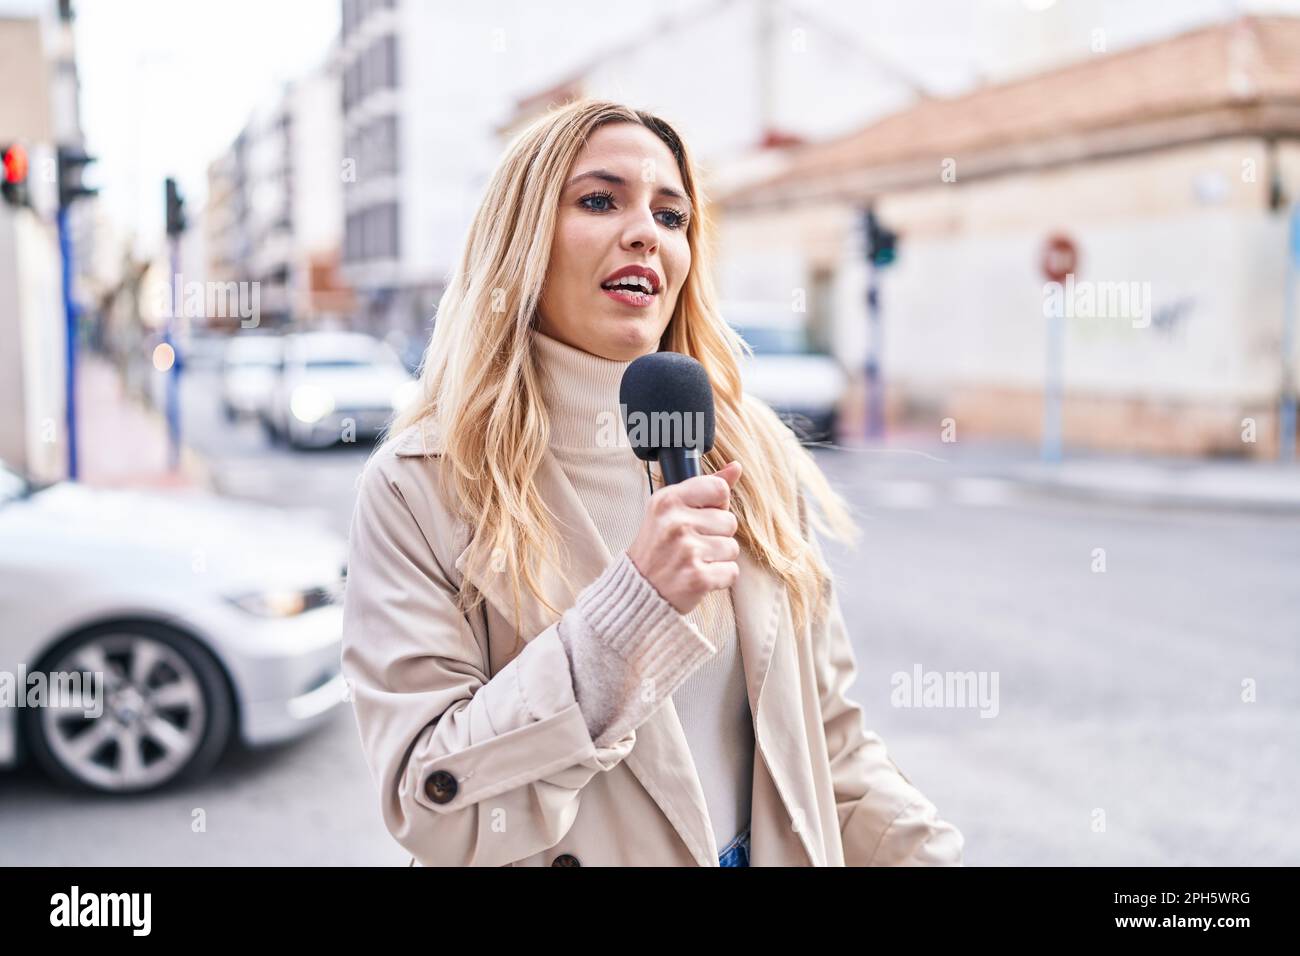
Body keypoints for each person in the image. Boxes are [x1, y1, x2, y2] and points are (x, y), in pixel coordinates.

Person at [340, 99, 964, 867]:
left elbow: (829, 743)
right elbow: (427, 800)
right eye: (600, 201)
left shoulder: (750, 449)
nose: (646, 233)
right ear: (519, 242)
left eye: (672, 217)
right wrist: (632, 610)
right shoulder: (423, 487)